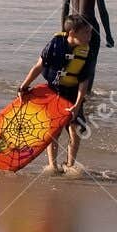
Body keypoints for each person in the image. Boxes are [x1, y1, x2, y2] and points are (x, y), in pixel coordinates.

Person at [18, 15, 97, 173]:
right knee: (54, 130)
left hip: (73, 93)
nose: (90, 36)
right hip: (53, 91)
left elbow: (84, 82)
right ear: (72, 33)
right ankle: (52, 166)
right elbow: (39, 67)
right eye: (86, 33)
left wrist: (77, 104)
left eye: (90, 33)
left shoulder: (87, 52)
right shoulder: (55, 44)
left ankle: (69, 164)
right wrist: (23, 87)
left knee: (75, 129)